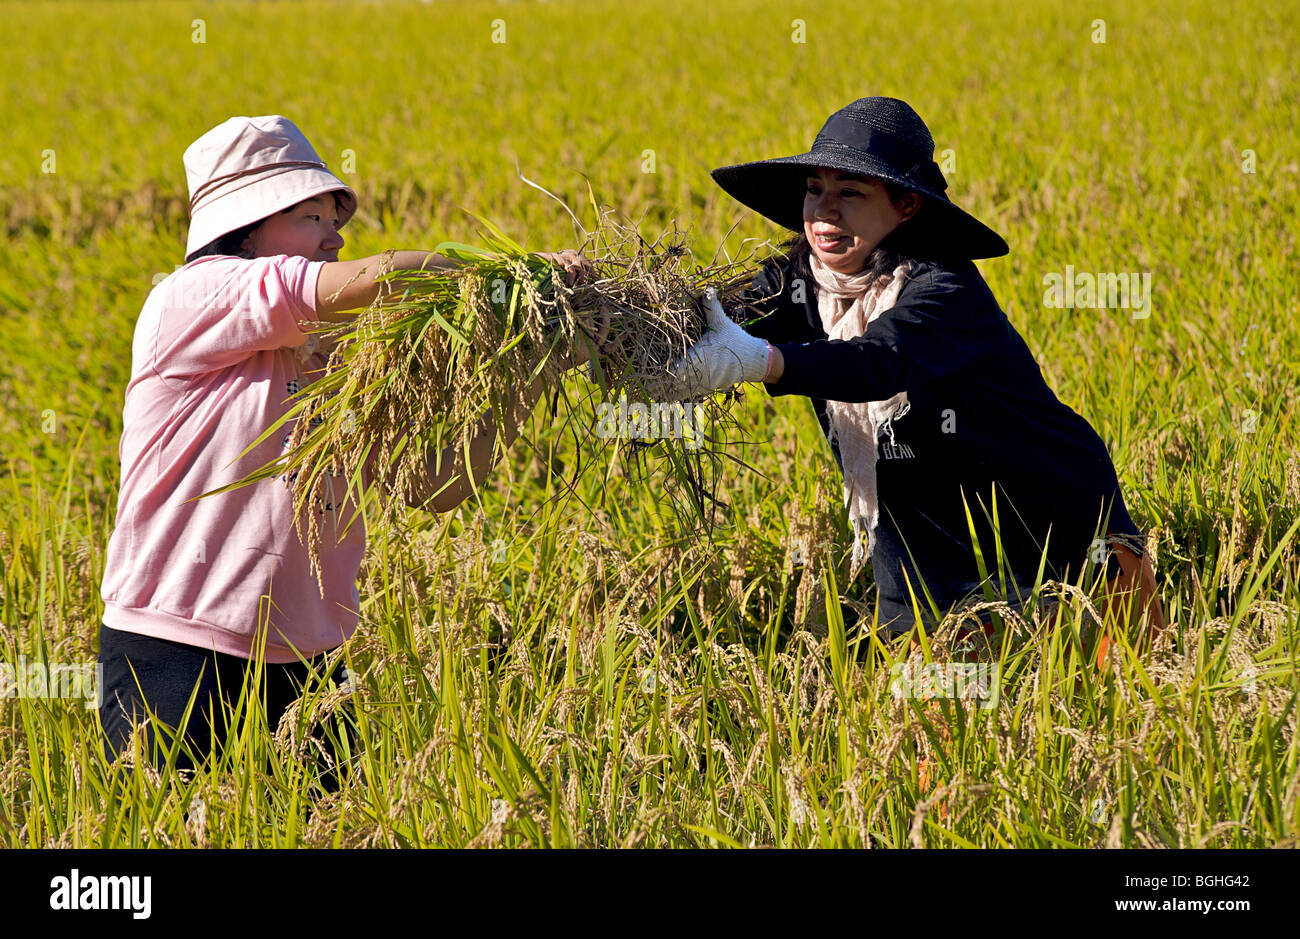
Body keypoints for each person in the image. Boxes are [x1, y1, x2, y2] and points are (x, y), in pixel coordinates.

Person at [97, 115, 598, 784]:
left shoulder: (341, 354)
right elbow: (383, 277)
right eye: (311, 216)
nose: (335, 236)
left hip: (312, 661)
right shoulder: (190, 296)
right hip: (179, 648)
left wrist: (524, 359)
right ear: (245, 228)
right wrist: (513, 280)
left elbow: (438, 485)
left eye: (335, 218)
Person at [673, 97, 1165, 664]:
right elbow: (712, 318)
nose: (825, 214)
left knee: (1111, 692)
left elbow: (877, 363)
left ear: (906, 205)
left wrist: (761, 361)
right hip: (917, 518)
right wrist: (590, 314)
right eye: (815, 189)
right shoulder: (798, 280)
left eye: (850, 193)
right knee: (929, 717)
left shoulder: (945, 288)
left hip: (1049, 515)